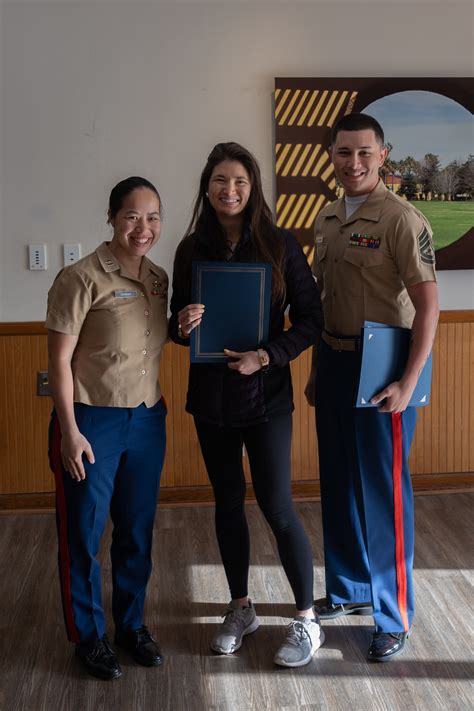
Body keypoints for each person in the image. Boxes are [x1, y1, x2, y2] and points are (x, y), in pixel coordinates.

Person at [169, 142, 324, 667]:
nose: (228, 190)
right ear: (206, 187)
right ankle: (241, 608)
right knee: (227, 503)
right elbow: (174, 324)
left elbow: (309, 320)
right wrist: (183, 323)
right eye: (219, 180)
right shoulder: (191, 248)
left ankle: (305, 619)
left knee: (277, 505)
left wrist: (266, 356)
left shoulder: (281, 244)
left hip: (267, 397)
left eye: (239, 181)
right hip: (211, 399)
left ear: (253, 187)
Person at [305, 113, 439, 661]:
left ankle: (393, 612)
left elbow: (429, 306)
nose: (353, 163)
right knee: (336, 482)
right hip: (335, 363)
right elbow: (323, 300)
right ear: (332, 156)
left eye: (364, 153)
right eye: (343, 152)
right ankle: (349, 590)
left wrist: (409, 382)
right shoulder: (328, 217)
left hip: (384, 369)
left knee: (384, 494)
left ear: (384, 155)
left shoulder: (403, 220)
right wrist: (315, 370)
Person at [47, 177, 169, 680]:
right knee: (84, 532)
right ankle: (88, 636)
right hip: (91, 420)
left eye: (153, 217)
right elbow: (57, 360)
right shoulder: (80, 277)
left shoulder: (159, 279)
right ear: (112, 217)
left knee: (137, 532)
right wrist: (70, 432)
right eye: (132, 216)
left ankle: (131, 625)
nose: (143, 228)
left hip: (145, 420)